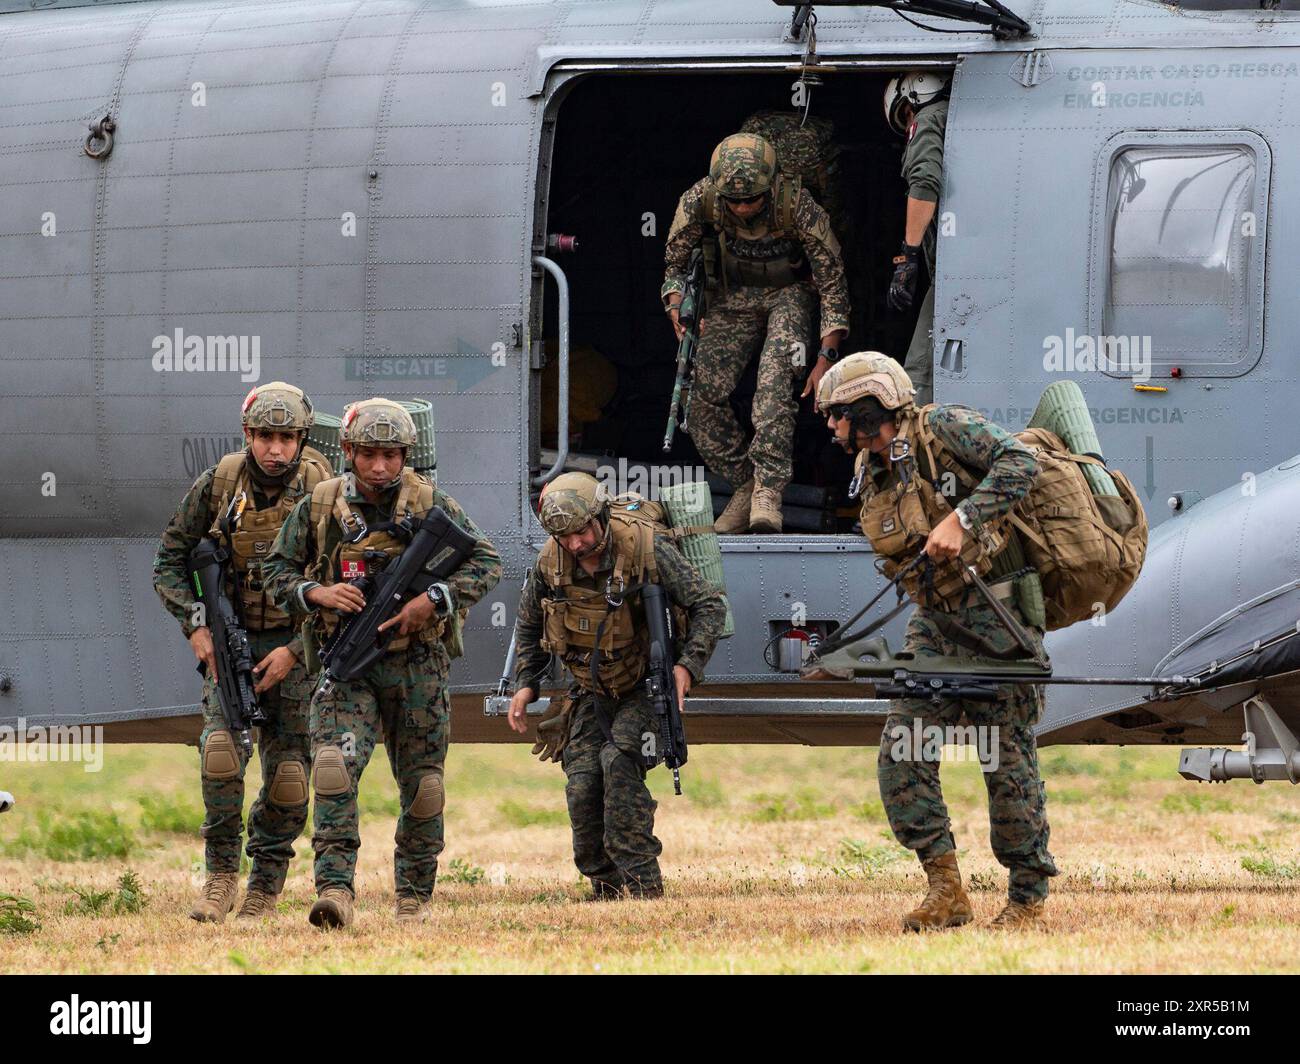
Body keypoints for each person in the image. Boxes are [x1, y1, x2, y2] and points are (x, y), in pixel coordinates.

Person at [817, 352, 1057, 930]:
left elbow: (1020, 463)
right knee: (902, 750)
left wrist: (965, 518)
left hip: (999, 612)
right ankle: (946, 889)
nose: (831, 427)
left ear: (869, 409)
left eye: (838, 415)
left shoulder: (944, 427)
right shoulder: (872, 470)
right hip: (936, 619)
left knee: (1004, 758)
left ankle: (1027, 900)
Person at [262, 399, 501, 928]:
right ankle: (334, 889)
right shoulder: (322, 506)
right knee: (331, 771)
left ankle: (413, 896)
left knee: (424, 785)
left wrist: (434, 600)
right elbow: (274, 573)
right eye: (368, 454)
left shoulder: (429, 502)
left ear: (405, 455)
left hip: (419, 665)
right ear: (347, 451)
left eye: (391, 455)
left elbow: (487, 561)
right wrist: (316, 593)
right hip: (348, 665)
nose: (379, 467)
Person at [153, 382, 331, 922]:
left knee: (290, 774)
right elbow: (169, 560)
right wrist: (195, 626)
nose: (274, 449)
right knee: (220, 754)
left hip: (297, 645)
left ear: (301, 439)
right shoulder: (219, 485)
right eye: (264, 437)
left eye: (286, 438)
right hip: (230, 645)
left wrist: (296, 653)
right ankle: (221, 877)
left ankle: (266, 884)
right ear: (247, 435)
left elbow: (349, 580)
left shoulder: (323, 491)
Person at [506, 473, 725, 898]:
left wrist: (687, 666)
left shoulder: (646, 548)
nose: (575, 544)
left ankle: (644, 887)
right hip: (590, 690)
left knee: (619, 762)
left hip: (646, 685)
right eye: (563, 536)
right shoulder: (551, 562)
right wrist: (525, 683)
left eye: (582, 531)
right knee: (582, 783)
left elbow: (708, 605)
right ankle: (605, 886)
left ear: (601, 517)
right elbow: (529, 623)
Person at [663, 132, 850, 533]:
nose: (744, 208)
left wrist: (825, 358)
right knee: (697, 398)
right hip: (732, 298)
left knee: (773, 387)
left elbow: (832, 281)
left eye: (753, 199)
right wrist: (677, 307)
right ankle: (744, 484)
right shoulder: (700, 200)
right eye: (735, 201)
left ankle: (768, 489)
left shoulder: (796, 204)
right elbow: (674, 267)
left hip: (789, 293)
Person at [884, 72, 950, 406]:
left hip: (954, 275)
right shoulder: (953, 118)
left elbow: (925, 180)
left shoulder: (926, 120)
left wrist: (907, 257)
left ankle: (912, 453)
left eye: (906, 113)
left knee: (917, 377)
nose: (908, 121)